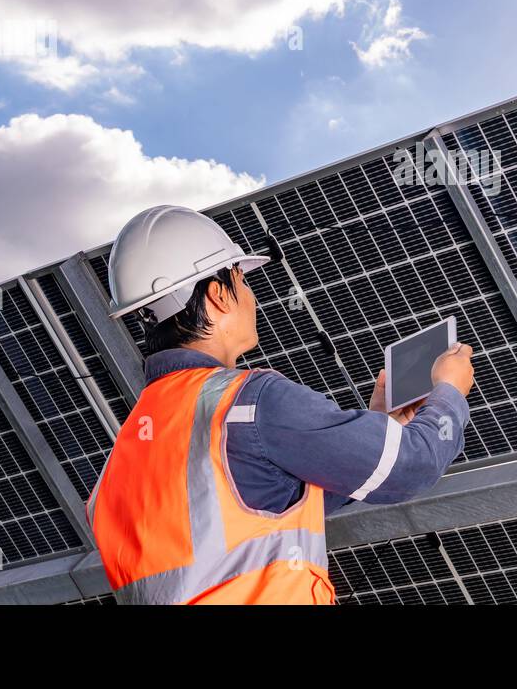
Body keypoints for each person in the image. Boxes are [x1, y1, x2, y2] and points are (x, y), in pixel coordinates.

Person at [87, 204, 474, 604]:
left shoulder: (123, 458)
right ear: (220, 295)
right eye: (242, 281)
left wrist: (377, 427)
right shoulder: (250, 403)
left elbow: (261, 507)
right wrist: (449, 393)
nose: (251, 297)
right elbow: (410, 468)